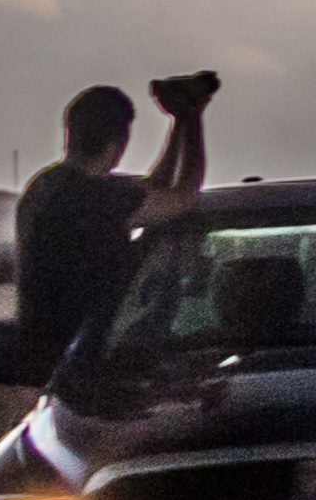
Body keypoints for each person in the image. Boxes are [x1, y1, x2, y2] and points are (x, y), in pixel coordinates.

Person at [12, 67, 216, 362]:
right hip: (92, 357)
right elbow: (183, 196)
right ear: (115, 147)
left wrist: (182, 120)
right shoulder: (98, 197)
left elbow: (153, 188)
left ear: (70, 133)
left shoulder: (44, 187)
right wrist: (193, 117)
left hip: (59, 361)